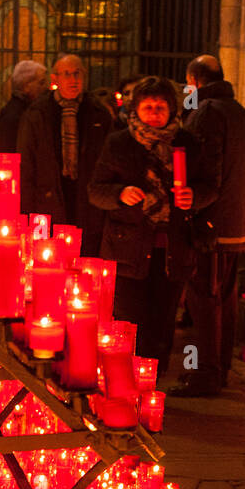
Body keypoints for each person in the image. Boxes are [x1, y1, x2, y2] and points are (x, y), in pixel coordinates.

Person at [88, 77, 218, 369]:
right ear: (136, 110)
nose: (154, 112)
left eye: (161, 106)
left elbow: (211, 186)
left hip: (173, 247)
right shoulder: (119, 143)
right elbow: (96, 190)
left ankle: (151, 382)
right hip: (128, 248)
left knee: (162, 320)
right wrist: (120, 193)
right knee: (129, 320)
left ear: (172, 110)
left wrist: (193, 196)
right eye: (148, 106)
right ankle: (123, 380)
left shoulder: (189, 143)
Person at [168, 54, 245, 398]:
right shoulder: (243, 115)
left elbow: (209, 171)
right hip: (235, 223)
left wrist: (193, 199)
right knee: (225, 298)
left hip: (210, 224)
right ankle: (219, 369)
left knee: (204, 299)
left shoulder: (208, 113)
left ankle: (205, 372)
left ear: (194, 80)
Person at [18, 54, 113, 253]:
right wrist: (28, 210)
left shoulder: (98, 113)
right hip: (48, 199)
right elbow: (26, 165)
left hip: (86, 201)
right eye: (67, 74)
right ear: (55, 79)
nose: (73, 80)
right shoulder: (38, 115)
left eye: (77, 74)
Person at [0, 61, 47, 154]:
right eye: (41, 83)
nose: (46, 87)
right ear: (26, 86)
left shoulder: (23, 110)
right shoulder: (19, 115)